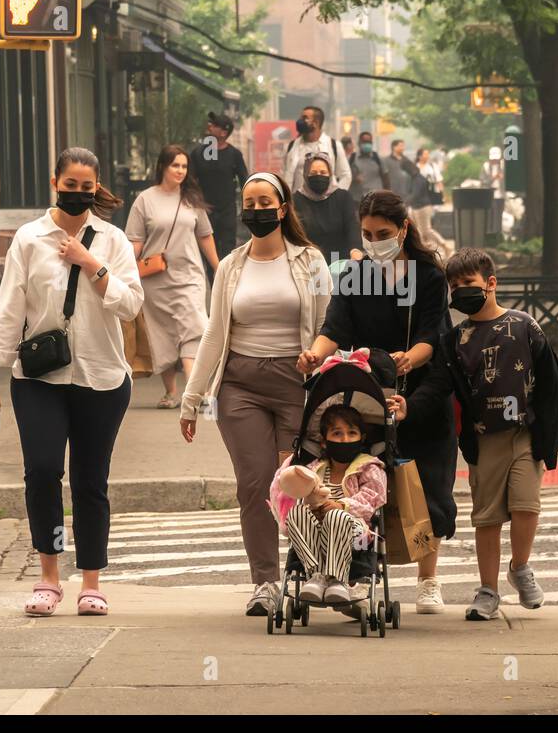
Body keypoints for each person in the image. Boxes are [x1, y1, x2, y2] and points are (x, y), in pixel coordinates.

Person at [0, 147, 144, 618]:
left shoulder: (112, 240)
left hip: (103, 377)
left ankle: (92, 581)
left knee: (91, 480)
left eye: (85, 187)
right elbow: (8, 310)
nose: (77, 194)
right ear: (55, 183)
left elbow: (130, 305)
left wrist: (91, 262)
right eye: (69, 186)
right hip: (39, 378)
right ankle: (48, 577)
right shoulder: (29, 239)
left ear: (96, 187)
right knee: (44, 471)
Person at [180, 172, 331, 617]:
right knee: (253, 484)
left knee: (296, 482)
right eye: (250, 203)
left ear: (283, 209)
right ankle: (264, 583)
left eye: (266, 201)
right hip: (240, 385)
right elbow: (213, 334)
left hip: (296, 382)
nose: (257, 210)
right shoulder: (230, 266)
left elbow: (329, 324)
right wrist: (192, 400)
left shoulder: (311, 261)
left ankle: (306, 574)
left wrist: (317, 358)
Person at [298, 191, 457, 615]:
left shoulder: (428, 276)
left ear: (404, 229)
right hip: (369, 395)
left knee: (426, 489)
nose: (374, 241)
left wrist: (409, 359)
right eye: (367, 234)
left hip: (419, 389)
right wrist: (315, 354)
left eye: (383, 234)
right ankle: (354, 573)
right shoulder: (355, 274)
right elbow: (335, 325)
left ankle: (428, 579)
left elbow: (433, 336)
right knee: (361, 487)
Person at [390, 247, 558, 621]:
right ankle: (488, 590)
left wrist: (549, 441)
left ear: (490, 283)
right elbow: (438, 384)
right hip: (483, 441)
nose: (460, 291)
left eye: (467, 283)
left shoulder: (525, 326)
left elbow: (552, 385)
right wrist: (409, 406)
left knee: (525, 507)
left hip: (524, 437)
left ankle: (520, 567)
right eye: (454, 286)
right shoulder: (454, 341)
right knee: (486, 518)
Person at [126, 145, 220, 409]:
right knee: (163, 334)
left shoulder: (191, 199)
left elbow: (205, 235)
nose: (180, 171)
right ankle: (170, 392)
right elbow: (135, 240)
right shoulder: (145, 199)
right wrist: (124, 266)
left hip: (190, 275)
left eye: (184, 166)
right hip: (155, 279)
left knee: (194, 328)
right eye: (175, 165)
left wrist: (218, 266)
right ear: (162, 167)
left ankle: (195, 392)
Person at [268, 403, 387, 605]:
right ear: (324, 441)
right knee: (296, 513)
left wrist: (342, 505)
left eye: (352, 433)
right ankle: (317, 576)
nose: (345, 439)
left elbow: (374, 497)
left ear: (361, 438)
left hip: (356, 532)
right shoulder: (315, 469)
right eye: (337, 433)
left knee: (335, 516)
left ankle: (337, 578)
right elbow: (300, 492)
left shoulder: (369, 467)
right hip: (316, 533)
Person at [188, 111, 248, 262]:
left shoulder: (234, 154)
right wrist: (194, 203)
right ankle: (213, 280)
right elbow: (190, 181)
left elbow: (244, 181)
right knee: (207, 250)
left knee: (227, 250)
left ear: (223, 132)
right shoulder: (197, 153)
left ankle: (226, 281)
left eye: (214, 125)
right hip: (205, 211)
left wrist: (247, 207)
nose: (209, 126)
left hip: (227, 210)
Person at [292, 152, 361, 266]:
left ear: (330, 174)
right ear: (305, 174)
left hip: (341, 264)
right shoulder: (296, 200)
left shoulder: (343, 197)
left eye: (323, 172)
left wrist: (355, 250)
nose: (318, 176)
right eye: (313, 173)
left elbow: (352, 225)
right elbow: (295, 235)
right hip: (309, 264)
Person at [284, 105, 352, 196]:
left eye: (305, 118)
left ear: (316, 122)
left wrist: (337, 197)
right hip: (299, 204)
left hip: (327, 203)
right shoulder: (291, 146)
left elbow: (346, 175)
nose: (299, 121)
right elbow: (286, 176)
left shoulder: (333, 145)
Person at [408, 147, 450, 258]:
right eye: (425, 154)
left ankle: (444, 245)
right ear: (419, 156)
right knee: (418, 230)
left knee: (426, 229)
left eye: (428, 154)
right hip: (413, 202)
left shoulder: (432, 166)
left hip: (426, 201)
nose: (427, 156)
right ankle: (426, 251)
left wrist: (442, 194)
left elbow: (439, 181)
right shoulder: (414, 167)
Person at [350, 130, 389, 201]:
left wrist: (387, 196)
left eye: (369, 142)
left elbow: (385, 177)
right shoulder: (352, 158)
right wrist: (354, 178)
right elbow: (345, 176)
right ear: (359, 143)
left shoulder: (377, 158)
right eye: (364, 142)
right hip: (358, 199)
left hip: (376, 198)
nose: (367, 144)